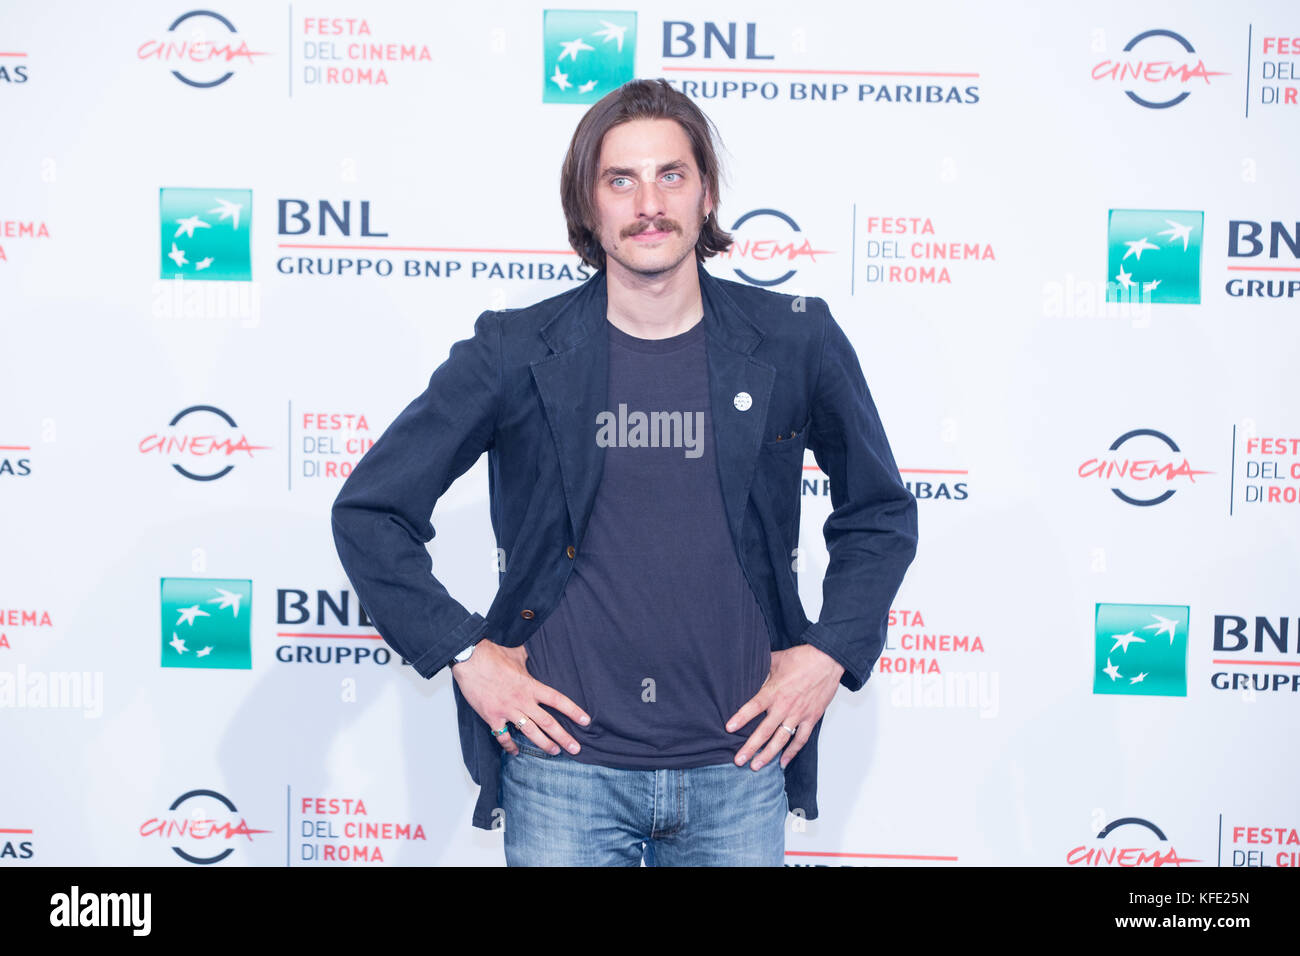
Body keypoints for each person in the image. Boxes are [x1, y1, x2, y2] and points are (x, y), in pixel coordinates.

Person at [331, 78, 918, 866]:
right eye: (621, 180)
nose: (650, 202)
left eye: (671, 175)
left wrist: (829, 652)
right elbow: (371, 512)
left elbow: (878, 513)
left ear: (706, 194)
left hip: (738, 768)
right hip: (562, 775)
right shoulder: (516, 351)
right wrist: (465, 654)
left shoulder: (793, 341)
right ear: (588, 205)